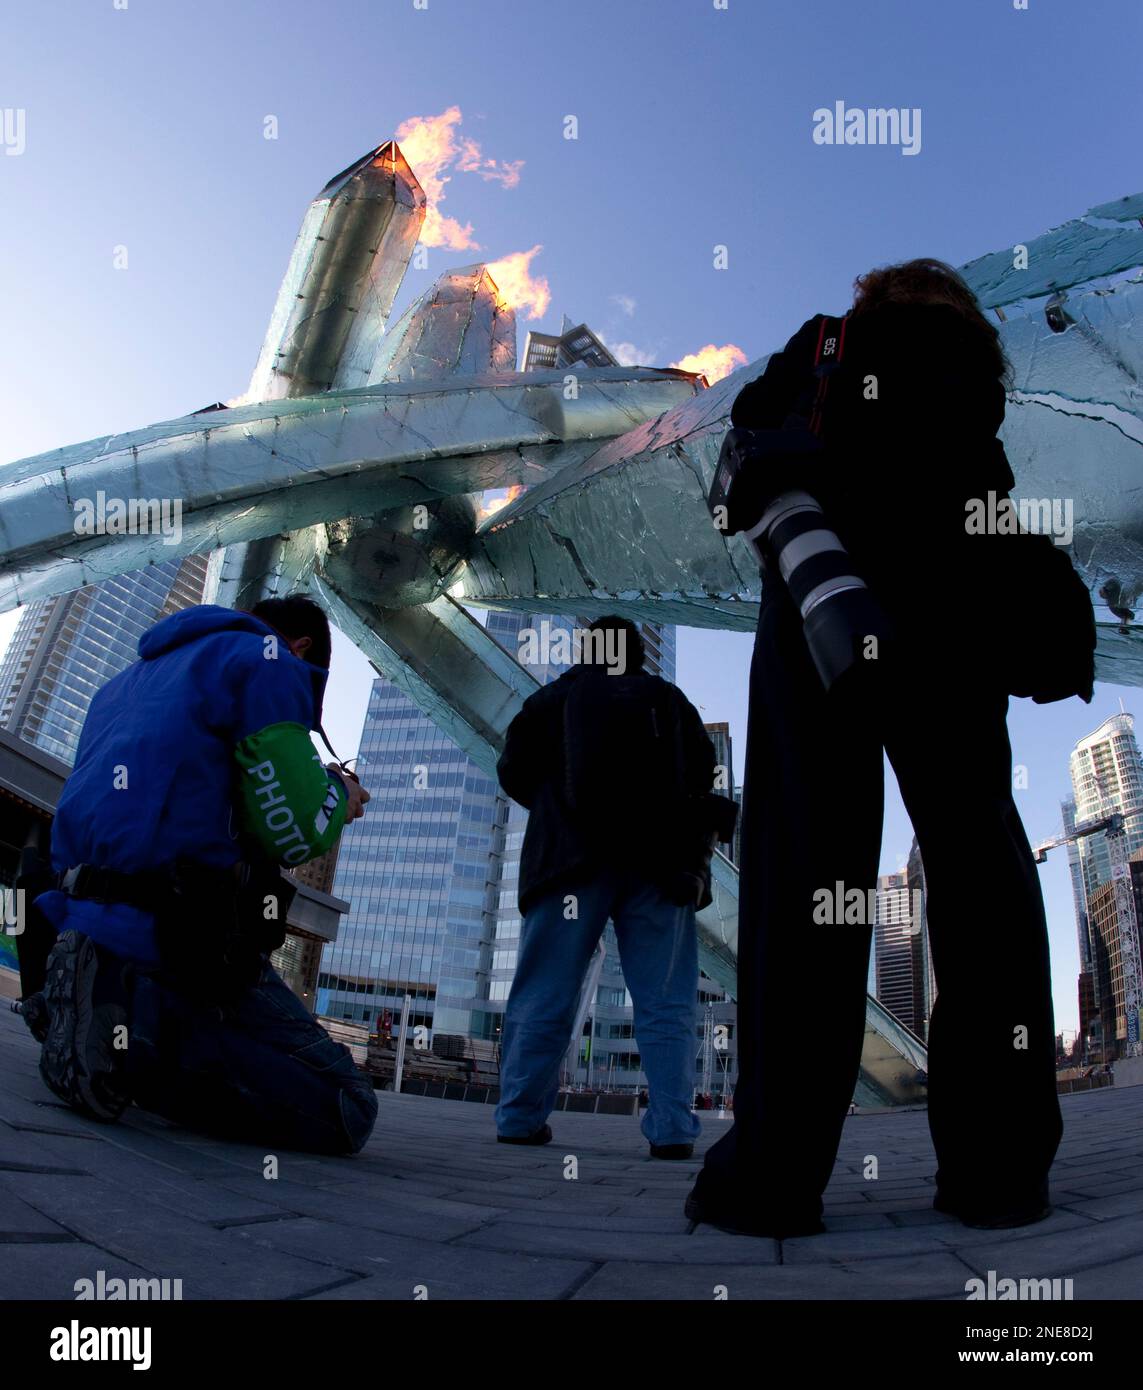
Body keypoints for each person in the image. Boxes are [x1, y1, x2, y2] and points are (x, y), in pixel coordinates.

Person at [688, 260, 1071, 1236]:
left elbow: (748, 447)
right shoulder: (970, 373)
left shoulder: (830, 343)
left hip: (830, 593)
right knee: (980, 868)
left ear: (874, 296)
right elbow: (990, 504)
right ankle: (1001, 1171)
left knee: (808, 876)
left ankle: (774, 1175)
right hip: (959, 603)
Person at [20, 595, 377, 1155]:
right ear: (302, 647)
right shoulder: (271, 660)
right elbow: (295, 830)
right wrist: (340, 795)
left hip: (77, 908)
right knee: (350, 1106)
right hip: (170, 931)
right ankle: (131, 1037)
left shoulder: (121, 684)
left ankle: (82, 1006)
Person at [494, 616, 734, 1156]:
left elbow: (512, 771)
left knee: (545, 992)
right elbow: (703, 771)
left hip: (568, 867)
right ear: (638, 654)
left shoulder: (551, 700)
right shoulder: (669, 700)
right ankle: (672, 1130)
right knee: (666, 1002)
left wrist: (560, 808)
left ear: (585, 650)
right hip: (659, 868)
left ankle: (519, 1119)